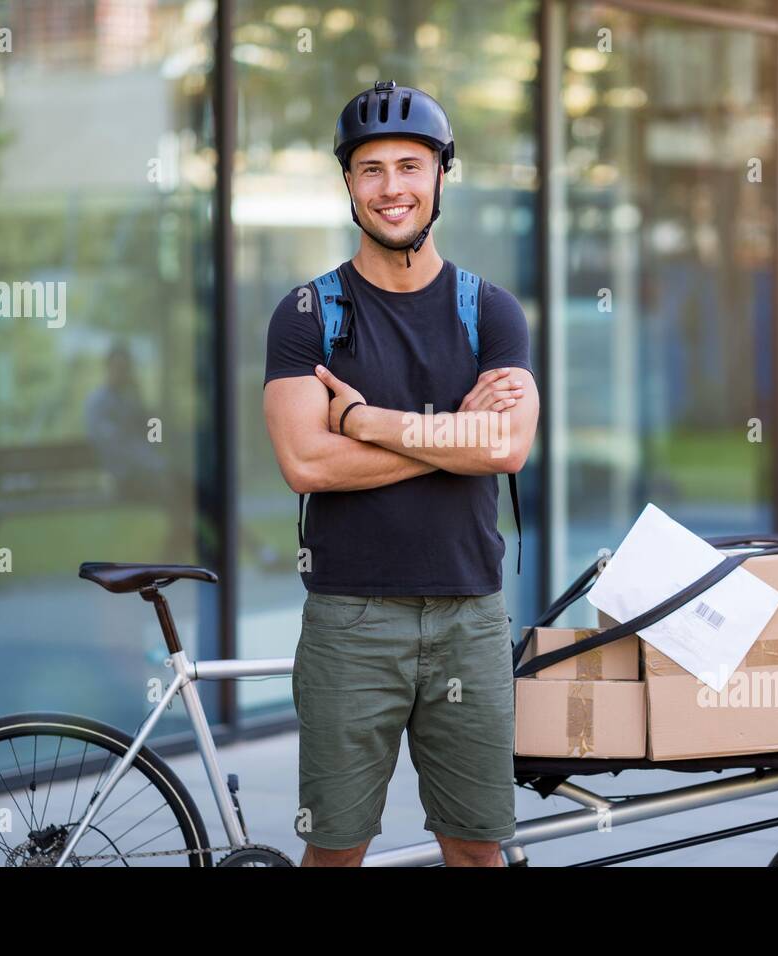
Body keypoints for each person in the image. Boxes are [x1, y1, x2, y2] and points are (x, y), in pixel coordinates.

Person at [262, 81, 540, 867]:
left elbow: (507, 449)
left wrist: (363, 420)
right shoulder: (308, 315)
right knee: (336, 854)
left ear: (442, 177)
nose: (392, 188)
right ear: (348, 184)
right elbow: (304, 462)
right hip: (351, 622)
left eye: (410, 166)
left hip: (470, 619)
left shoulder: (492, 312)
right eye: (371, 169)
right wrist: (455, 430)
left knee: (479, 851)